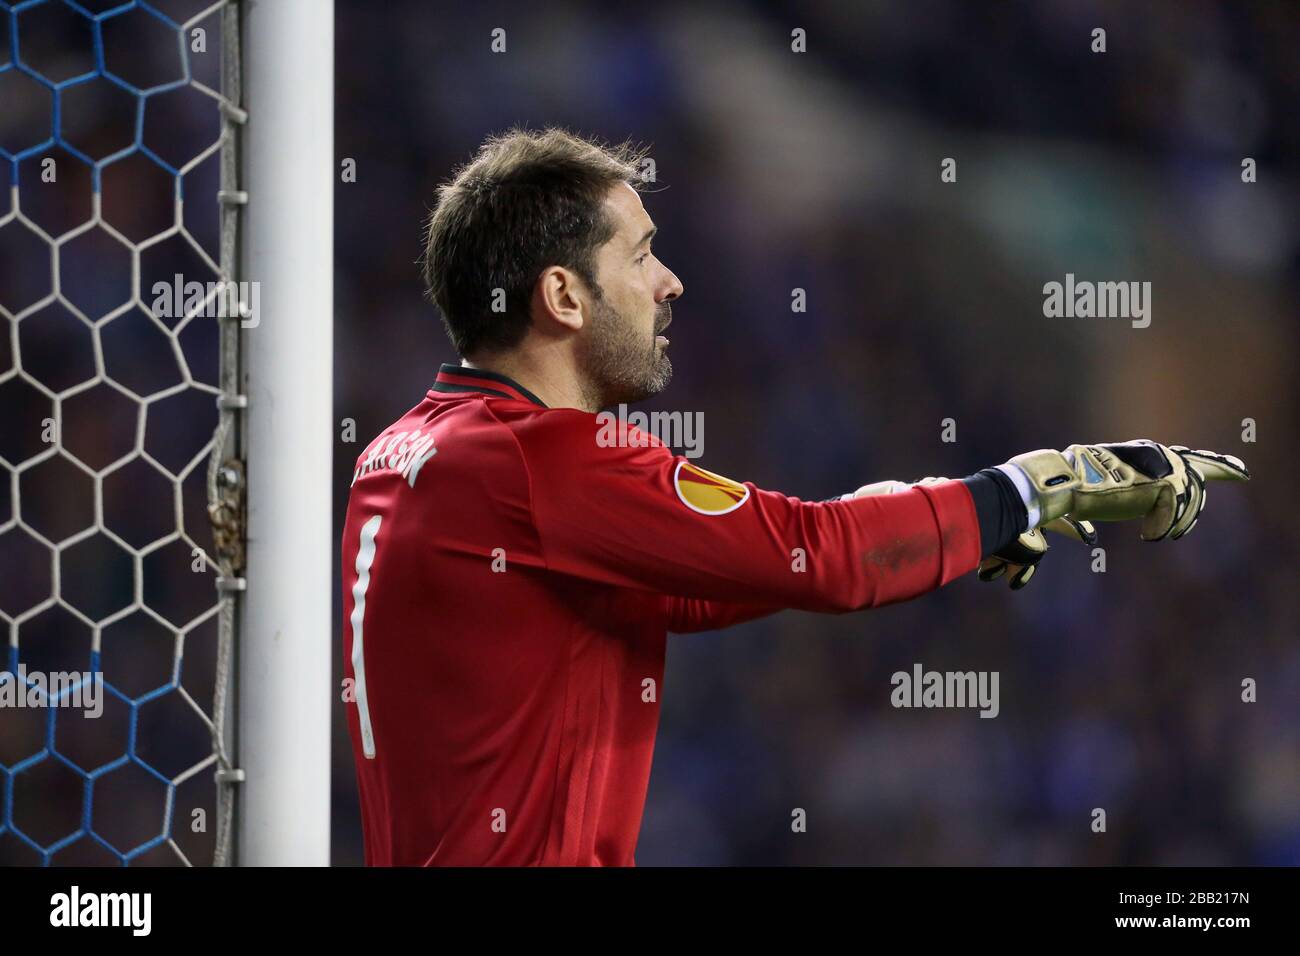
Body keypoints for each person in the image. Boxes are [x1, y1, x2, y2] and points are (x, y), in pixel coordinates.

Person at [340, 128, 1248, 866]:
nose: (669, 283)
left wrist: (954, 519)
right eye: (643, 254)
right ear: (563, 297)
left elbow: (725, 574)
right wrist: (1042, 487)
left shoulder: (401, 453)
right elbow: (821, 556)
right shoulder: (540, 460)